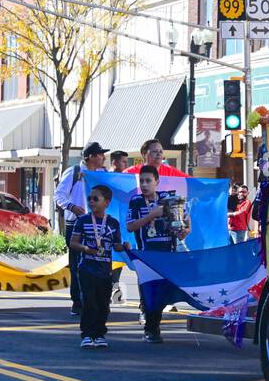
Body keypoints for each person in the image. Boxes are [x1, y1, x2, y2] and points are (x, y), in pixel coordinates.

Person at [126, 164, 190, 343]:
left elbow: (182, 219)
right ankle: (151, 329)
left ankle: (153, 323)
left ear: (157, 182)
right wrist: (151, 215)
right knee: (149, 292)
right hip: (147, 255)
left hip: (166, 254)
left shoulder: (168, 199)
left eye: (148, 181)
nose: (144, 185)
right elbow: (130, 226)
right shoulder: (136, 201)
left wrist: (185, 229)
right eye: (141, 181)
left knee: (161, 293)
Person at [69, 184, 130, 349]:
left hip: (105, 271)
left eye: (96, 198)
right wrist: (86, 249)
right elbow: (73, 243)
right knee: (89, 302)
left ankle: (100, 334)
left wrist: (124, 246)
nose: (91, 201)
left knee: (103, 304)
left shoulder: (112, 223)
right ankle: (87, 334)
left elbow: (116, 245)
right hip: (87, 269)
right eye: (90, 198)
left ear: (107, 202)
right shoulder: (83, 221)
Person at [54, 141, 109, 315]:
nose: (103, 158)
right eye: (100, 154)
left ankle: (97, 300)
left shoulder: (102, 174)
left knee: (99, 261)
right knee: (77, 264)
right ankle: (78, 302)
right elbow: (59, 195)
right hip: (76, 223)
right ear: (91, 157)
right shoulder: (74, 172)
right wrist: (72, 207)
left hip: (99, 223)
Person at [122, 139, 188, 178]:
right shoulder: (130, 173)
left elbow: (192, 182)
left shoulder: (171, 172)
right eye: (155, 151)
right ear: (144, 154)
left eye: (161, 151)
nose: (159, 154)